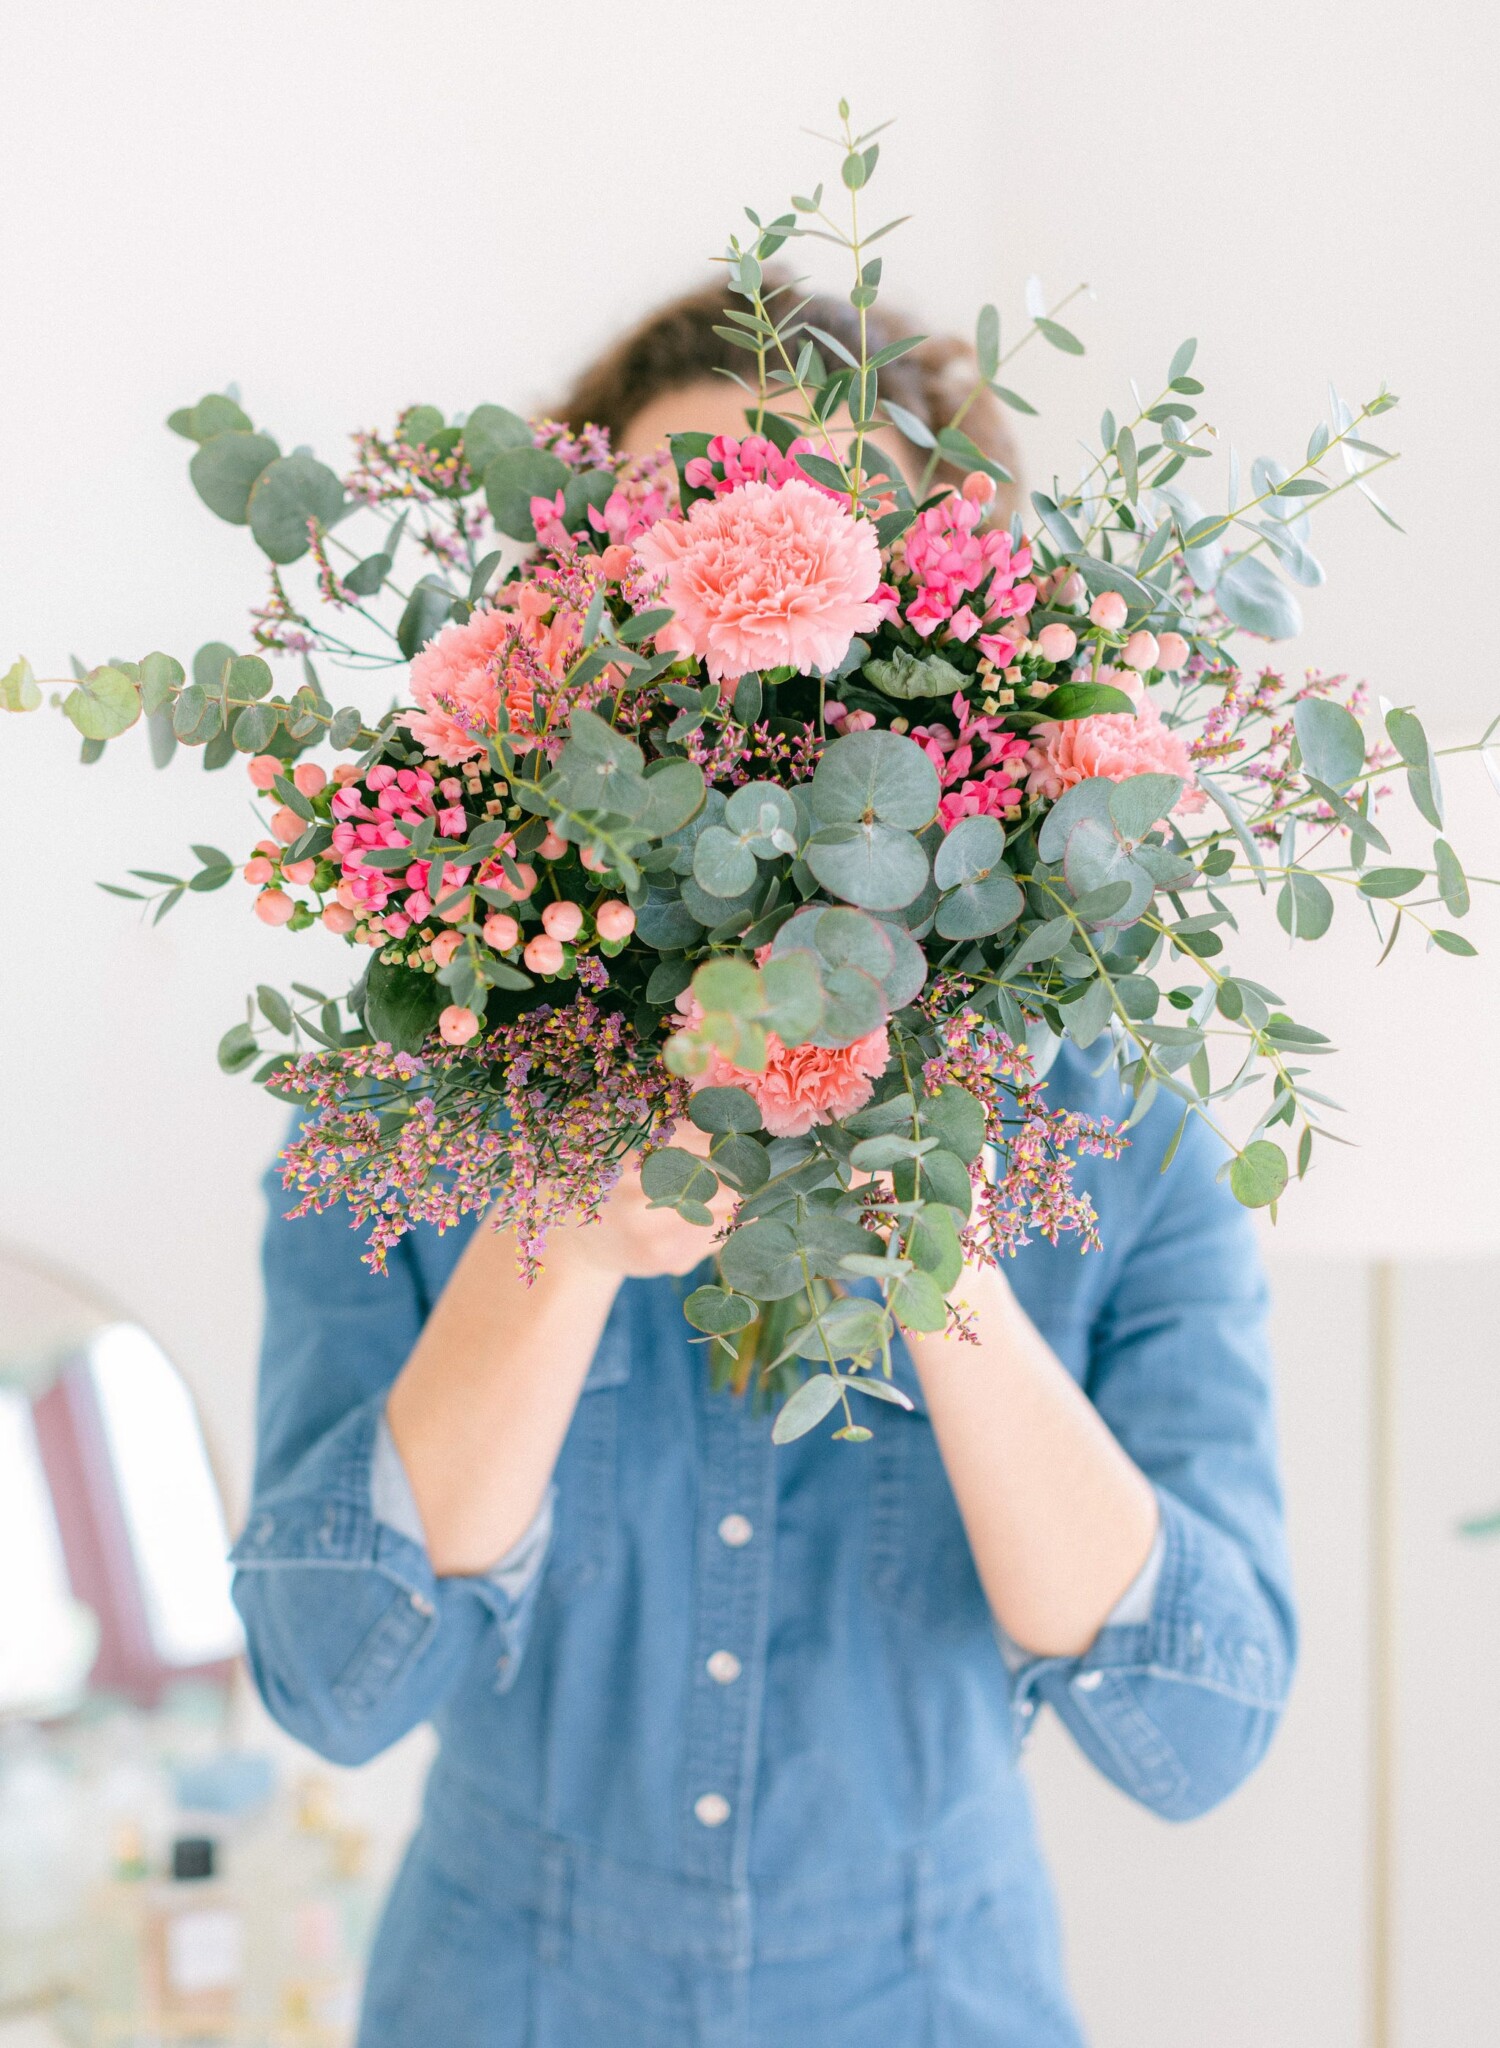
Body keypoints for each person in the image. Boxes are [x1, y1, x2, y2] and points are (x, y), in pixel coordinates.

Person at [231, 282, 1296, 2047]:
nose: (732, 653)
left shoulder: (1126, 1139)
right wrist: (556, 1244)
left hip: (939, 1997)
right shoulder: (399, 1117)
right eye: (669, 560)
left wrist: (936, 1257)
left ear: (959, 665)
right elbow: (330, 1682)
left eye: (816, 573)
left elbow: (1197, 1733)